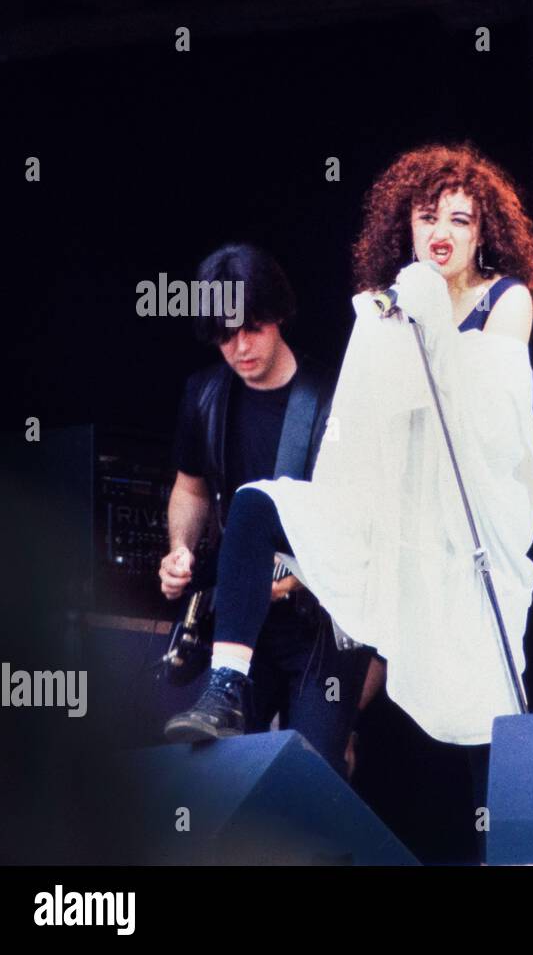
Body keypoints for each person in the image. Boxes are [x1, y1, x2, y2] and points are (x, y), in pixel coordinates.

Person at [163, 143, 533, 843]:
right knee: (256, 502)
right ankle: (226, 684)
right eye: (427, 215)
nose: (442, 232)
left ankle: (510, 850)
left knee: (483, 708)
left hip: (467, 531)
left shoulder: (505, 299)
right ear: (404, 223)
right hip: (389, 515)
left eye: (460, 220)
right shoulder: (390, 304)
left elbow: (489, 411)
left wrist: (425, 311)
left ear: (483, 230)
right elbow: (362, 430)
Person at [159, 243, 377, 778]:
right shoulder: (204, 395)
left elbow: (365, 523)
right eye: (225, 336)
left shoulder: (334, 400)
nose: (239, 347)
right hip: (241, 622)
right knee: (224, 771)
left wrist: (289, 581)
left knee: (309, 776)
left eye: (251, 327)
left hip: (319, 623)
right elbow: (189, 489)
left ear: (278, 314)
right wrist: (180, 550)